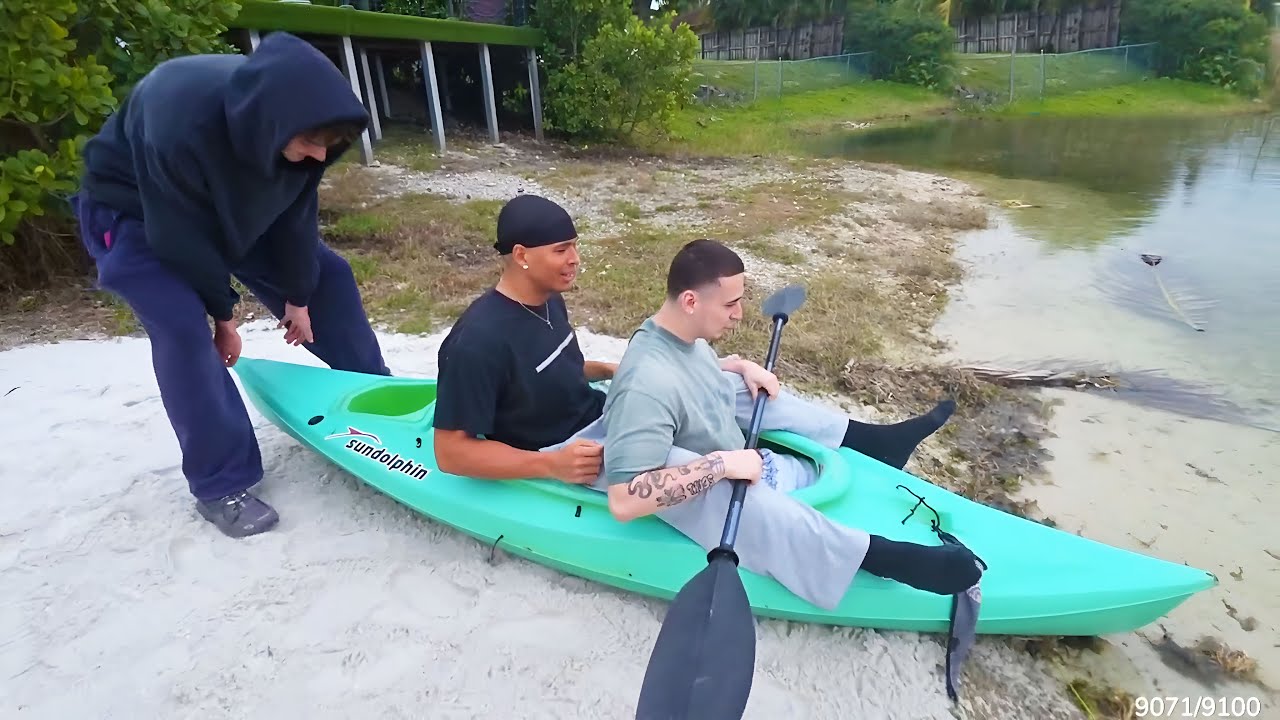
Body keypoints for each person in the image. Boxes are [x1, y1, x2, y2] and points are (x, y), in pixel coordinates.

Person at [431, 195, 972, 604]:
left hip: (600, 409)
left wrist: (644, 370)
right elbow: (450, 452)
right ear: (521, 255)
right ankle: (874, 557)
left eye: (576, 246)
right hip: (573, 450)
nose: (576, 260)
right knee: (697, 477)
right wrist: (546, 464)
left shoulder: (546, 300)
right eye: (561, 250)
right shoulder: (477, 342)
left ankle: (871, 441)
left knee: (731, 384)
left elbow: (558, 367)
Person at [70, 31, 390, 539]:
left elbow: (294, 216)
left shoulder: (298, 134)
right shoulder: (177, 110)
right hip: (137, 211)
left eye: (326, 148)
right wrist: (223, 317)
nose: (315, 156)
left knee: (330, 276)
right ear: (273, 121)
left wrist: (299, 295)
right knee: (182, 329)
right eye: (309, 143)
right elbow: (178, 235)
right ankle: (222, 484)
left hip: (228, 205)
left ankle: (380, 398)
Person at [597, 238, 983, 610]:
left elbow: (681, 374)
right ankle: (881, 557)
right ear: (691, 301)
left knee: (743, 387)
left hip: (738, 454)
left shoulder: (677, 334)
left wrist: (733, 365)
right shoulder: (644, 385)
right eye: (730, 304)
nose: (740, 314)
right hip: (721, 477)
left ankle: (873, 441)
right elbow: (625, 499)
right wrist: (723, 465)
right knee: (730, 489)